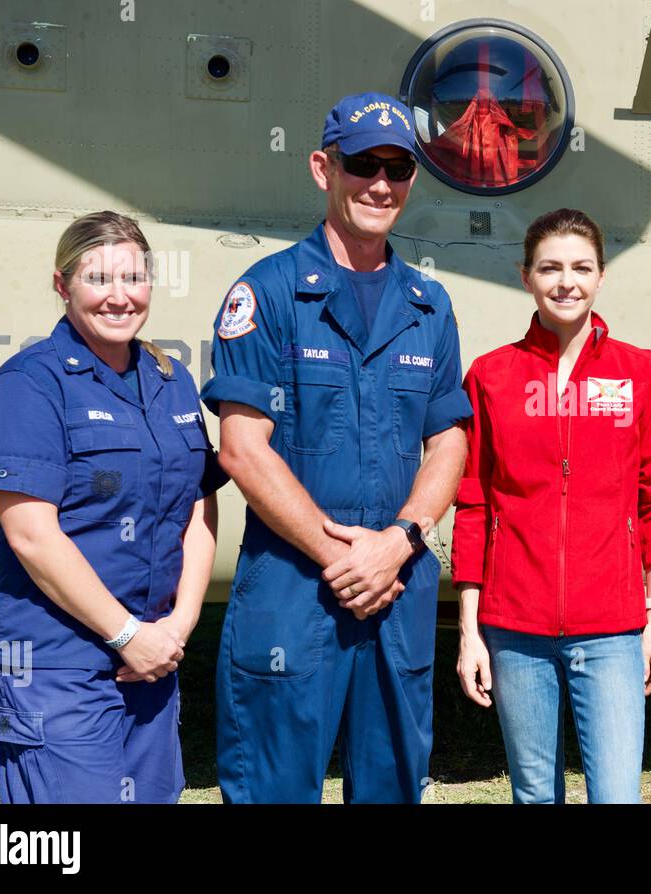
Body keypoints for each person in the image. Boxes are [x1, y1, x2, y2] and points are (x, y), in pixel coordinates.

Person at [200, 93, 472, 803]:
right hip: (295, 590)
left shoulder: (429, 304)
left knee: (391, 786)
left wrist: (402, 540)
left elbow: (448, 438)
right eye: (362, 164)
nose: (381, 184)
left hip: (398, 587)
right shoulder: (268, 292)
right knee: (274, 788)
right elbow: (241, 448)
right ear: (324, 168)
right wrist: (342, 555)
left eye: (398, 168)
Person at [0, 211, 225, 803]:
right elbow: (31, 534)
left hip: (153, 656)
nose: (119, 297)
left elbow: (199, 508)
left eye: (133, 278)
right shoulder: (29, 385)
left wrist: (176, 628)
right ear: (63, 287)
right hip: (54, 659)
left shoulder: (172, 380)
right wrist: (126, 633)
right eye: (98, 279)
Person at [451, 209, 651, 804]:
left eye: (581, 267)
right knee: (533, 794)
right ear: (524, 276)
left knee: (616, 794)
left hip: (613, 628)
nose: (566, 282)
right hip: (514, 626)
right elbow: (473, 504)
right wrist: (470, 631)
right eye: (549, 268)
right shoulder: (491, 377)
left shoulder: (641, 374)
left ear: (602, 276)